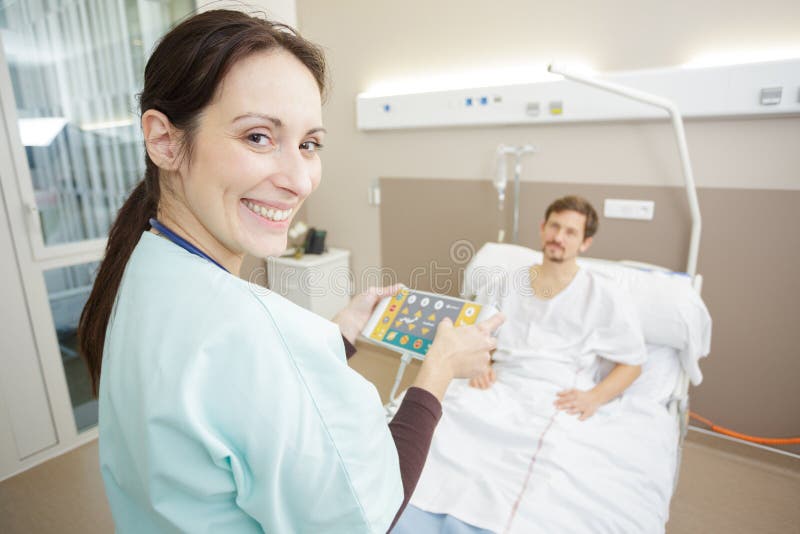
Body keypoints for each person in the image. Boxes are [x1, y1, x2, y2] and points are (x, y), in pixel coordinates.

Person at [77, 10, 503, 534]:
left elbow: (233, 401)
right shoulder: (254, 333)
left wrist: (339, 333)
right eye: (258, 137)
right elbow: (369, 515)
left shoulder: (143, 269)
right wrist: (437, 369)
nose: (300, 181)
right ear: (164, 140)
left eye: (309, 144)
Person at [392, 196, 647, 533]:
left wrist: (595, 397)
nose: (559, 236)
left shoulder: (602, 295)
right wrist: (482, 364)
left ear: (585, 242)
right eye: (554, 226)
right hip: (499, 381)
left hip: (556, 391)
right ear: (542, 228)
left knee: (548, 460)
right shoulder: (508, 281)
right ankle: (403, 508)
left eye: (571, 232)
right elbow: (476, 331)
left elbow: (633, 363)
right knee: (446, 426)